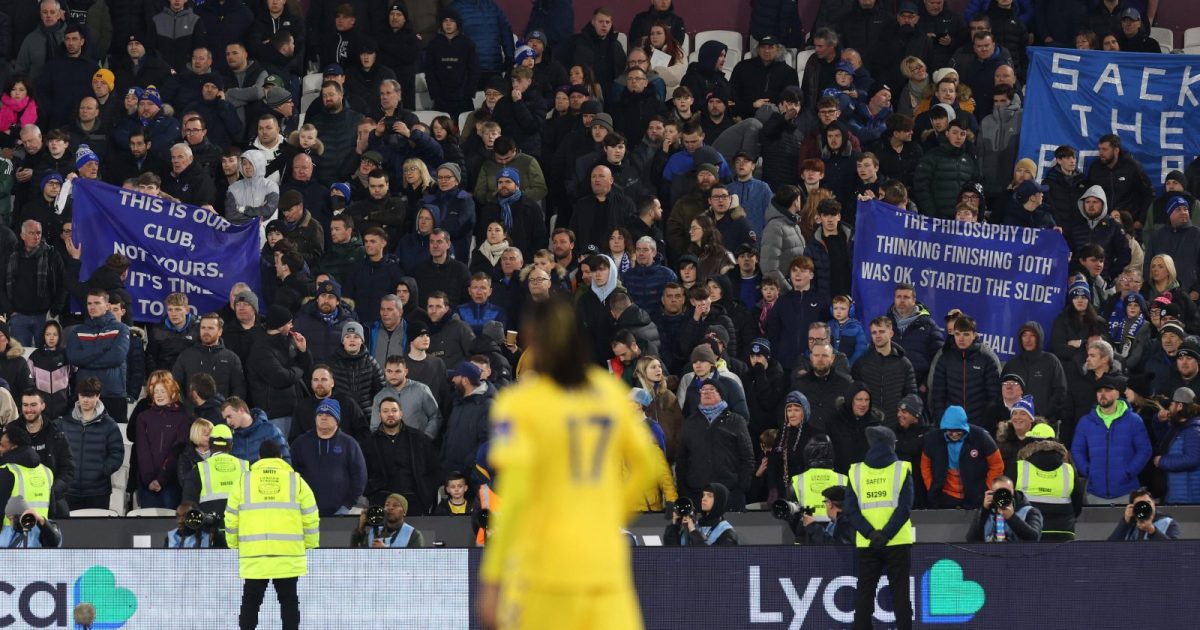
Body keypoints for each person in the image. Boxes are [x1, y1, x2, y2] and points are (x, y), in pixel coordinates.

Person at [476, 297, 659, 630]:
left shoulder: (518, 404)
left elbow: (515, 493)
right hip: (604, 570)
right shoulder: (608, 391)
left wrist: (492, 577)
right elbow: (647, 463)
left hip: (544, 575)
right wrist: (611, 513)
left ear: (532, 339)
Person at [226, 440, 319, 630]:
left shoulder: (244, 481)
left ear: (259, 457)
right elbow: (310, 515)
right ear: (280, 457)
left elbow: (231, 517)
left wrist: (233, 543)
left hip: (254, 554)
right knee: (289, 601)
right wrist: (309, 543)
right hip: (288, 554)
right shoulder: (295, 480)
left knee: (251, 601)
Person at [843, 426, 913, 630]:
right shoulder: (902, 469)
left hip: (867, 543)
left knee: (865, 593)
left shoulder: (856, 471)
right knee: (900, 593)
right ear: (891, 444)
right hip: (898, 542)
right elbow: (905, 508)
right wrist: (887, 534)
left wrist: (870, 533)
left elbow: (850, 510)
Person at [1072, 374, 1152, 504]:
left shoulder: (1134, 420)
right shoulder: (1085, 422)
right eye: (1099, 391)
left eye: (1108, 390)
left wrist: (1129, 472)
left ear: (1117, 393)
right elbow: (1077, 450)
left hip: (1127, 491)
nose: (1102, 394)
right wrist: (1088, 471)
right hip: (1095, 492)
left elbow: (1144, 450)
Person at [291, 399, 367, 516]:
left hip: (341, 512)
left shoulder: (349, 444)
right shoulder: (300, 443)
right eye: (320, 414)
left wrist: (347, 505)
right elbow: (292, 475)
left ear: (337, 419)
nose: (323, 418)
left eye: (328, 415)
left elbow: (360, 477)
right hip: (307, 510)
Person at [921, 405, 1005, 509]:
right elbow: (925, 465)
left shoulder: (981, 437)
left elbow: (997, 465)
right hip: (943, 498)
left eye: (958, 430)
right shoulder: (932, 439)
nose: (954, 434)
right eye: (950, 430)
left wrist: (987, 488)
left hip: (976, 498)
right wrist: (931, 487)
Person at [60, 377, 124, 511]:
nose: (85, 400)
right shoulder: (65, 423)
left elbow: (117, 454)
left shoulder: (109, 425)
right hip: (69, 491)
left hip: (98, 492)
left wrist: (101, 471)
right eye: (82, 395)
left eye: (89, 396)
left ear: (98, 396)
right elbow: (56, 451)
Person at [1016, 424, 1085, 541]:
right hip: (1063, 532)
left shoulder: (1019, 467)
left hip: (1028, 531)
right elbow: (1078, 502)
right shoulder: (1068, 470)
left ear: (1031, 442)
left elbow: (1007, 499)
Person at [965, 475, 1043, 542]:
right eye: (999, 492)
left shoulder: (1030, 511)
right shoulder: (986, 511)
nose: (1003, 495)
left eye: (1007, 492)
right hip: (990, 553)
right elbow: (971, 540)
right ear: (992, 493)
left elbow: (1034, 538)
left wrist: (1012, 517)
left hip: (1019, 554)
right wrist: (984, 511)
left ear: (1013, 492)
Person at [664, 482, 738, 546]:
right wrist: (674, 526)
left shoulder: (727, 532)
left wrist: (693, 532)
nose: (704, 499)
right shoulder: (694, 525)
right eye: (703, 495)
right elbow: (672, 552)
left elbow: (712, 556)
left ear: (719, 501)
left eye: (709, 496)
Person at [352, 492, 425, 548]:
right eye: (387, 505)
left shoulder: (413, 535)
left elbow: (416, 561)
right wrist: (360, 529)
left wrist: (386, 552)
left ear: (404, 512)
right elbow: (355, 556)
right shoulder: (373, 533)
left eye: (395, 505)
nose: (390, 508)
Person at [1107, 487, 1181, 541]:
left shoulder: (1168, 522)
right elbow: (1110, 547)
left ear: (1154, 503)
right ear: (1133, 507)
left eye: (1148, 502)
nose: (1145, 506)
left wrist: (1153, 531)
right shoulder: (1129, 522)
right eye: (1140, 504)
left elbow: (1174, 549)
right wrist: (1125, 522)